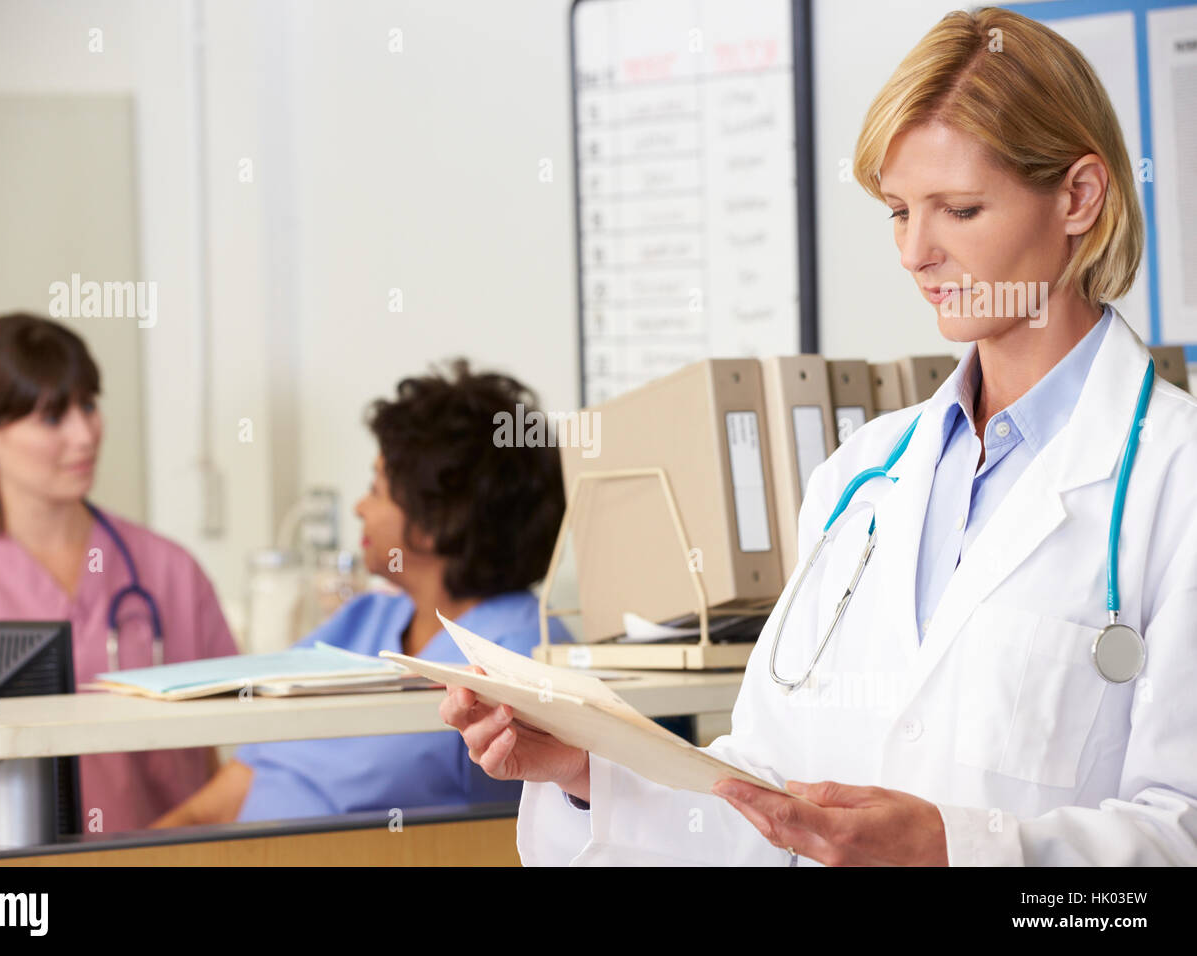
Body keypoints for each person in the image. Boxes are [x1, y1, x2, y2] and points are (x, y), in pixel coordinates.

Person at [442, 7, 1197, 866]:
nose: (916, 253)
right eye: (898, 212)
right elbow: (772, 794)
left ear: (1079, 196)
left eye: (958, 209)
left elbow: (1182, 835)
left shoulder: (1177, 485)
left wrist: (958, 853)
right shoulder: (860, 477)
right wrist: (593, 771)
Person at [153, 359, 568, 826]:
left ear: (439, 521)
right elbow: (231, 789)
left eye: (377, 488)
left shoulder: (526, 655)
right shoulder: (366, 618)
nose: (358, 507)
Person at [0, 312, 238, 833]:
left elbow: (241, 749)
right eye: (53, 417)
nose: (85, 434)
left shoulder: (169, 572)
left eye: (88, 405)